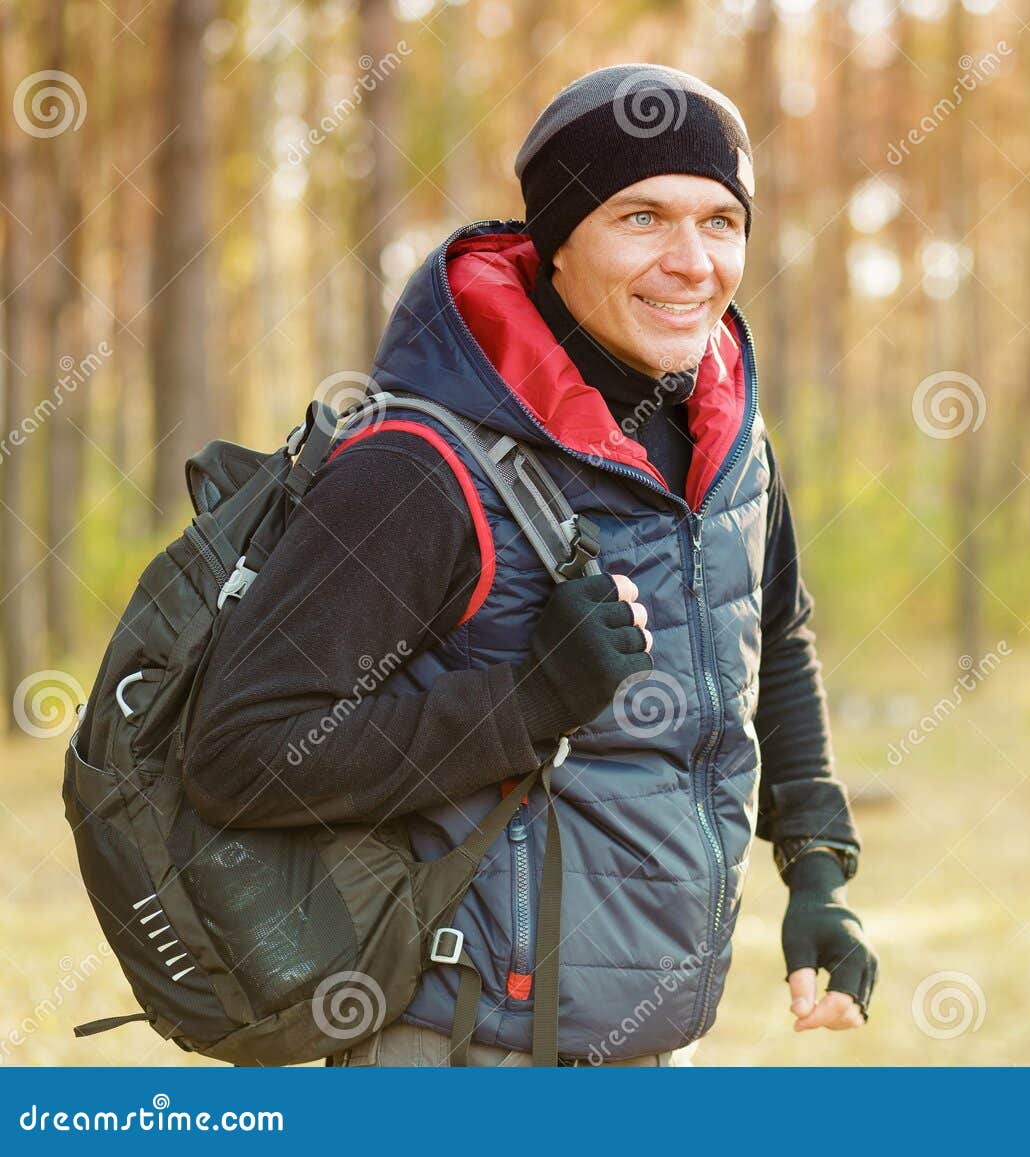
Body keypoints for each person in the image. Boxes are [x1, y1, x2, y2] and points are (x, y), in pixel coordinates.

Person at [185, 62, 877, 1066]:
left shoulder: (728, 442)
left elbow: (773, 633)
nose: (693, 262)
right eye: (642, 217)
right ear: (557, 240)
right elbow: (240, 756)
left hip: (647, 1045)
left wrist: (816, 868)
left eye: (721, 222)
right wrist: (527, 701)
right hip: (454, 1043)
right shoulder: (420, 467)